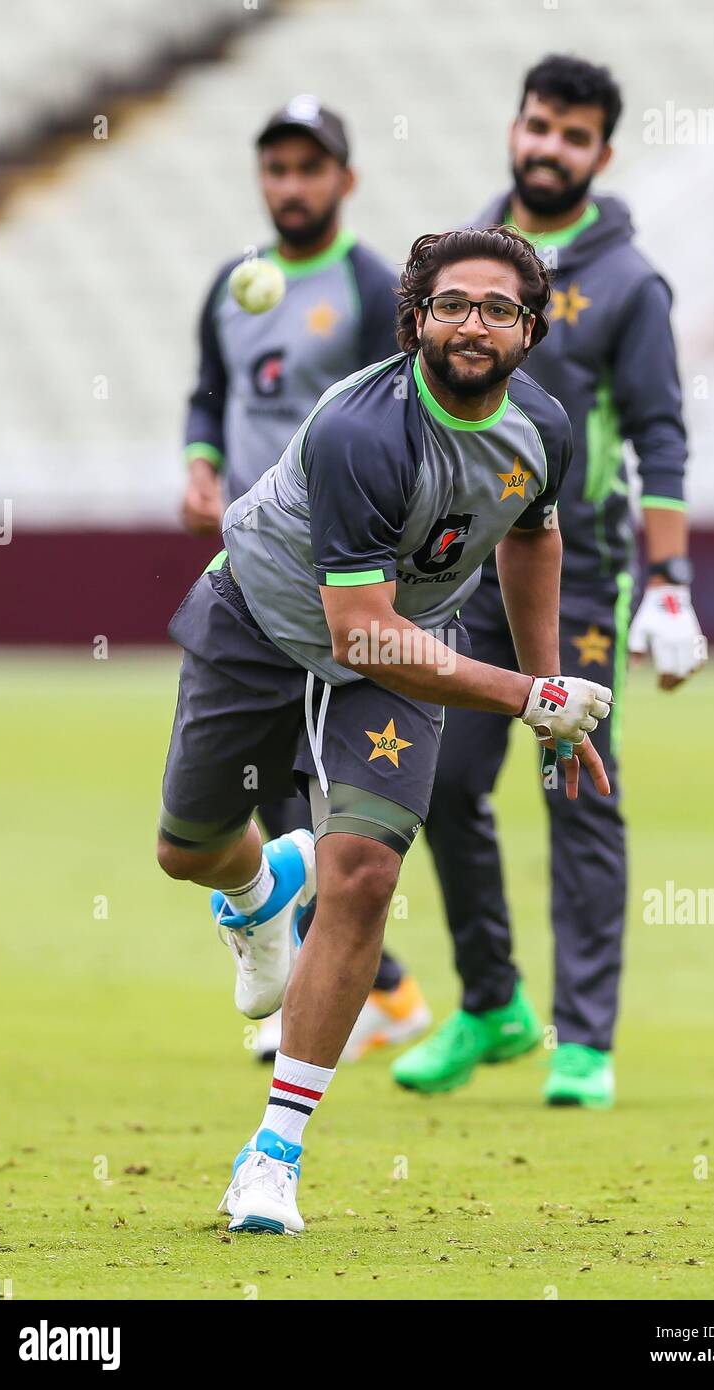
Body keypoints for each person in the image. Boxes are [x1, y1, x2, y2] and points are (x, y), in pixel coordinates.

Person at [157, 226, 613, 1234]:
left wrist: (542, 679)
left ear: (530, 331)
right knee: (182, 849)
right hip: (265, 623)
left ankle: (271, 1156)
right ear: (414, 318)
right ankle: (253, 883)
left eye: (498, 308)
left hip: (407, 645)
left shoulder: (542, 427)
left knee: (361, 873)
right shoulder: (361, 428)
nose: (472, 324)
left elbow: (533, 535)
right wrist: (524, 697)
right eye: (450, 303)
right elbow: (357, 633)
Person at [393, 56, 705, 1108]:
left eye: (573, 137)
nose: (547, 147)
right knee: (438, 783)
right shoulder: (463, 261)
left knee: (570, 780)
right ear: (515, 127)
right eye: (538, 125)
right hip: (454, 565)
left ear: (600, 155)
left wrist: (668, 581)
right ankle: (492, 1000)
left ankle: (585, 1039)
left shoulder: (628, 284)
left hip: (576, 573)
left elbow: (659, 436)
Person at [181, 94, 426, 1059]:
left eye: (309, 168)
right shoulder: (231, 283)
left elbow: (393, 418)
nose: (291, 185)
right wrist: (200, 460)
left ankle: (347, 994)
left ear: (345, 179)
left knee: (310, 791)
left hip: (340, 566)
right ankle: (377, 991)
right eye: (276, 168)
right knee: (279, 791)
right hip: (250, 566)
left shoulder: (369, 286)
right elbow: (208, 392)